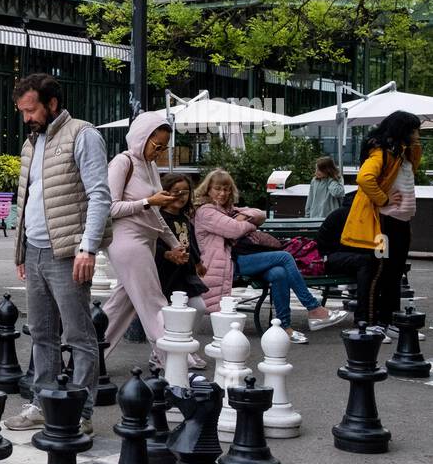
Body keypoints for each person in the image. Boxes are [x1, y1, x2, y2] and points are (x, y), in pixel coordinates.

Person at [2, 73, 111, 436]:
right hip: (34, 251)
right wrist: (21, 252)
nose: (26, 118)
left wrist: (88, 247)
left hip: (67, 253)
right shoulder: (31, 144)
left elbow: (99, 195)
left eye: (31, 110)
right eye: (21, 112)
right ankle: (42, 403)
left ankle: (81, 411)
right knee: (41, 333)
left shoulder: (83, 135)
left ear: (51, 103)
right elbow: (27, 200)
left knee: (79, 334)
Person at [98, 111, 205, 368]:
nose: (159, 151)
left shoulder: (151, 167)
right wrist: (148, 201)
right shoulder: (122, 163)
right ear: (141, 137)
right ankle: (174, 359)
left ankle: (88, 355)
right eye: (157, 145)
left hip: (144, 240)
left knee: (120, 307)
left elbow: (156, 214)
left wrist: (173, 243)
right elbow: (109, 207)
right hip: (127, 241)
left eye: (164, 147)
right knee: (153, 302)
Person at [193, 168, 346, 343]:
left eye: (226, 189)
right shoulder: (206, 211)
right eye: (218, 189)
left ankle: (284, 327)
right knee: (284, 257)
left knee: (279, 273)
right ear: (208, 189)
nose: (223, 193)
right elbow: (234, 230)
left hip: (238, 259)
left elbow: (260, 214)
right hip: (225, 265)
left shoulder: (227, 210)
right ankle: (313, 308)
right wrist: (247, 224)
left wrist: (244, 217)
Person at [338, 110, 422, 332]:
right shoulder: (381, 154)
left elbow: (413, 168)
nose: (417, 134)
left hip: (400, 223)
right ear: (403, 131)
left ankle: (388, 318)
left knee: (394, 271)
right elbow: (364, 178)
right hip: (383, 224)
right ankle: (373, 321)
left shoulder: (402, 154)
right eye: (414, 130)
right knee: (380, 270)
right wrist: (383, 199)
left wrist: (412, 147)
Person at [154, 173, 209, 315]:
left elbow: (192, 242)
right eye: (176, 191)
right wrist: (167, 254)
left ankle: (186, 336)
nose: (181, 196)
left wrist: (197, 262)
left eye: (185, 192)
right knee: (168, 311)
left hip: (185, 273)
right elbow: (152, 243)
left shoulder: (184, 219)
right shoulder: (158, 218)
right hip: (166, 273)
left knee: (199, 308)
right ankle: (165, 336)